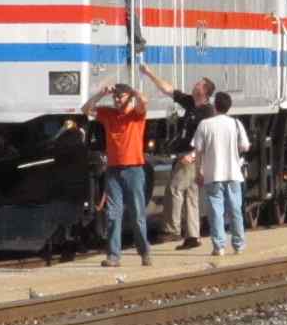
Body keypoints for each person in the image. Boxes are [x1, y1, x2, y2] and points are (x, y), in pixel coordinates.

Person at [139, 63, 215, 250]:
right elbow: (169, 90)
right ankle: (193, 236)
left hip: (191, 158)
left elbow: (206, 138)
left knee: (174, 188)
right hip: (185, 155)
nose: (195, 85)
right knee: (191, 195)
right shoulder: (191, 103)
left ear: (204, 92)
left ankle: (171, 229)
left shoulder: (207, 112)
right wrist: (150, 74)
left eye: (198, 84)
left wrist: (192, 155)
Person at [83, 80, 151, 268]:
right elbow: (85, 109)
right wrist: (101, 93)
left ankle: (144, 251)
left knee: (137, 214)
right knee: (113, 213)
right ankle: (113, 256)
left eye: (119, 97)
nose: (116, 100)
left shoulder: (137, 116)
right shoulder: (108, 114)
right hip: (113, 170)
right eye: (114, 97)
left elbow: (144, 102)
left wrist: (133, 91)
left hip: (134, 169)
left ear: (128, 98)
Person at [192, 91, 251, 257]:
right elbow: (245, 146)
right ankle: (238, 245)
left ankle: (219, 247)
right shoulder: (236, 124)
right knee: (235, 210)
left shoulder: (204, 125)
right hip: (233, 174)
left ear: (214, 105)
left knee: (216, 212)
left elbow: (198, 151)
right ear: (229, 106)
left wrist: (199, 171)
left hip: (213, 175)